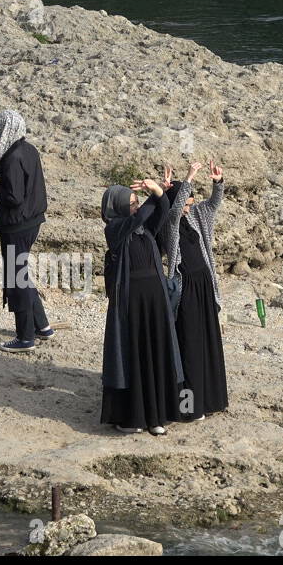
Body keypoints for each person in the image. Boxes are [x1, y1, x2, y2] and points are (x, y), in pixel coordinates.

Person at [100, 177, 184, 435]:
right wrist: (155, 192)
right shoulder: (115, 228)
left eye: (136, 202)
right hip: (131, 306)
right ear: (117, 207)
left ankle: (157, 418)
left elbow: (162, 210)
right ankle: (132, 418)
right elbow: (146, 211)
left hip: (154, 303)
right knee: (133, 357)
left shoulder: (145, 230)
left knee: (155, 356)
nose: (136, 207)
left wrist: (162, 191)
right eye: (131, 203)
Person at [160, 160, 229, 418]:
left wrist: (217, 182)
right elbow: (176, 209)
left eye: (190, 203)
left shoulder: (198, 215)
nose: (189, 208)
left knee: (207, 345)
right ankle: (189, 407)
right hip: (186, 289)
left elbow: (213, 204)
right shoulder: (169, 222)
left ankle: (210, 401)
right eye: (186, 203)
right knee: (189, 345)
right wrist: (189, 176)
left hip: (205, 288)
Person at [0, 110, 53, 353]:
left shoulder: (12, 157)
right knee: (20, 273)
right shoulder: (29, 149)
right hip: (31, 222)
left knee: (17, 279)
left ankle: (25, 337)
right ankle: (42, 326)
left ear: (6, 130)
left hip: (16, 225)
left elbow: (13, 196)